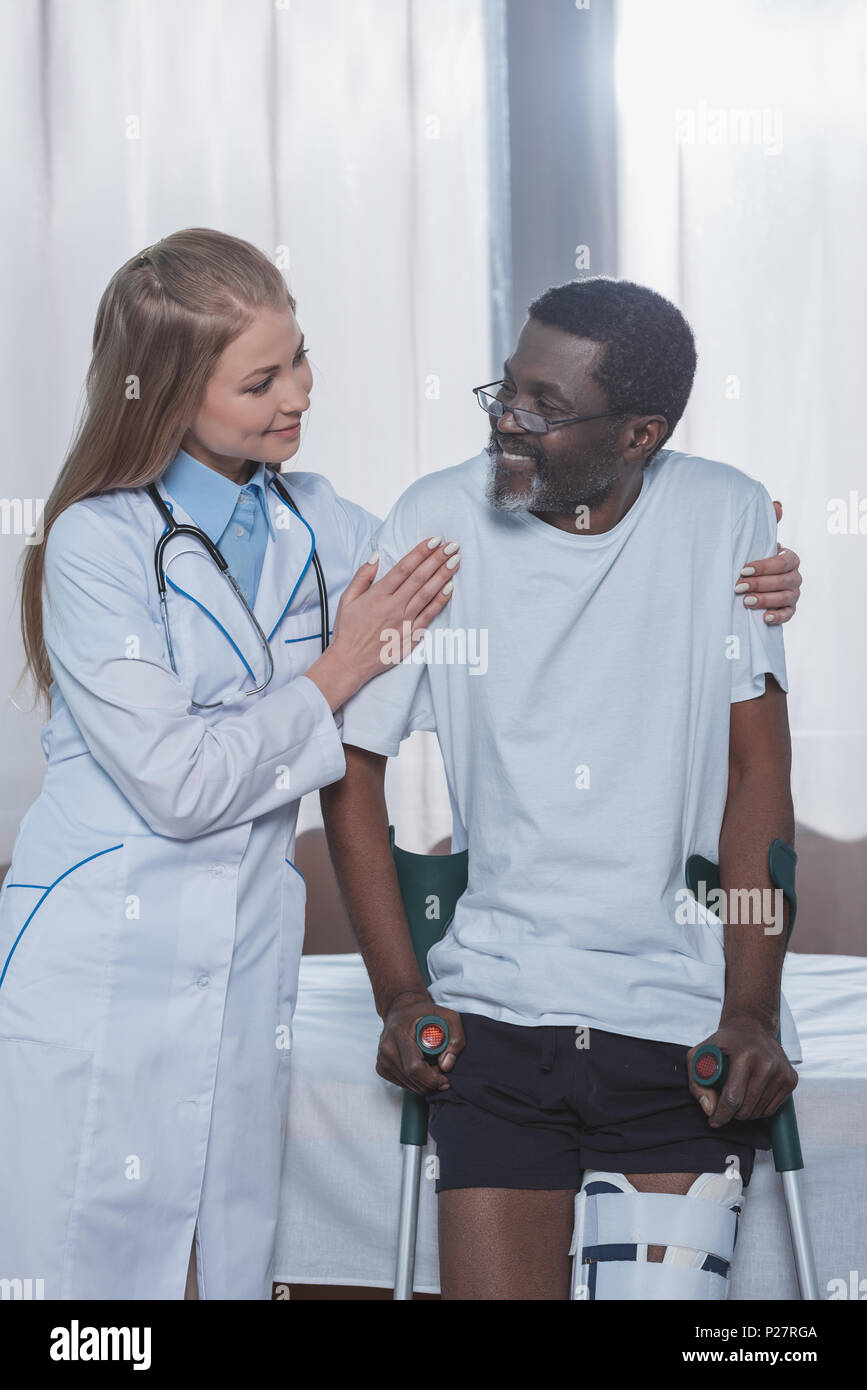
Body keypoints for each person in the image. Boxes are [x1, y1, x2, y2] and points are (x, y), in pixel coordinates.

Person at [322, 277, 804, 1300]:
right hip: (497, 1016)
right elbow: (351, 766)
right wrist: (403, 993)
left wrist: (751, 1009)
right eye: (503, 391)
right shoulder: (436, 519)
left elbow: (761, 769)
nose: (508, 422)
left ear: (641, 436)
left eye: (542, 407)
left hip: (678, 1027)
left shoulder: (723, 515)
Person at [0, 227, 460, 1300]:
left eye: (299, 357)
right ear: (168, 394)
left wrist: (701, 551)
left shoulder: (320, 521)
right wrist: (338, 669)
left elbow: (474, 584)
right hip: (98, 957)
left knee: (232, 1252)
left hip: (247, 946)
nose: (298, 392)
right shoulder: (94, 546)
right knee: (81, 1277)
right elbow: (181, 783)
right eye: (261, 379)